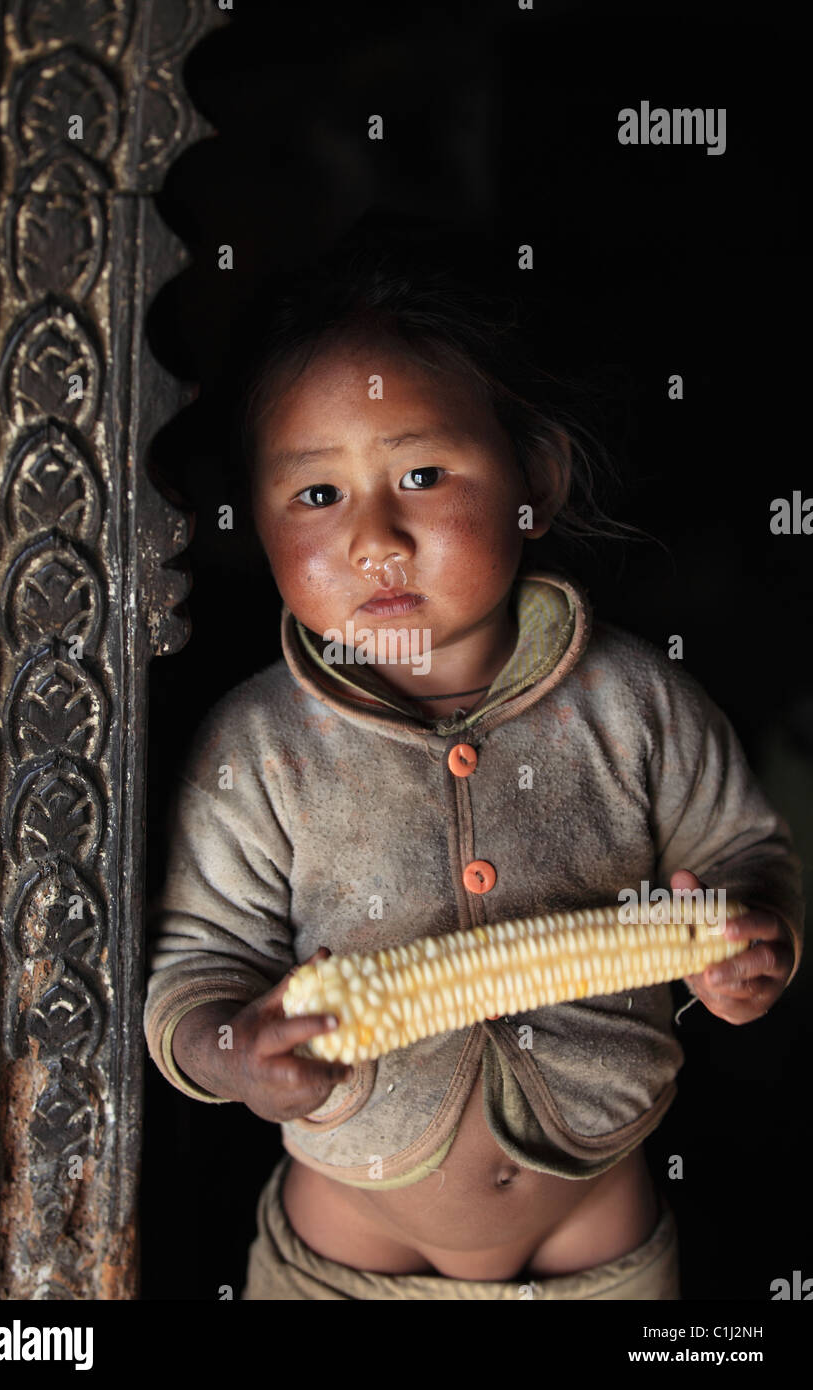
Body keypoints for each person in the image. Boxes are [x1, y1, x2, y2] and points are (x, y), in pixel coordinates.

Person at [143, 246, 804, 1300]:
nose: (374, 538)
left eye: (420, 474)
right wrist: (232, 1052)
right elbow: (195, 968)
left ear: (532, 481)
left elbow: (743, 853)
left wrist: (747, 940)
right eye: (316, 491)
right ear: (256, 521)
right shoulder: (257, 749)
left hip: (599, 1253)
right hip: (345, 1263)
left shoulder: (635, 702)